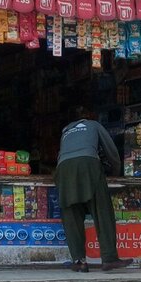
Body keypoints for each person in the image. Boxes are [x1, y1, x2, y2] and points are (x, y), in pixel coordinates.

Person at [55, 108, 131, 272]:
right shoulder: (94, 125)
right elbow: (111, 151)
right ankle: (109, 258)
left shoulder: (66, 131)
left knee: (71, 215)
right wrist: (116, 172)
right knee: (102, 211)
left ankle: (79, 261)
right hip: (88, 164)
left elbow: (62, 154)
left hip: (63, 168)